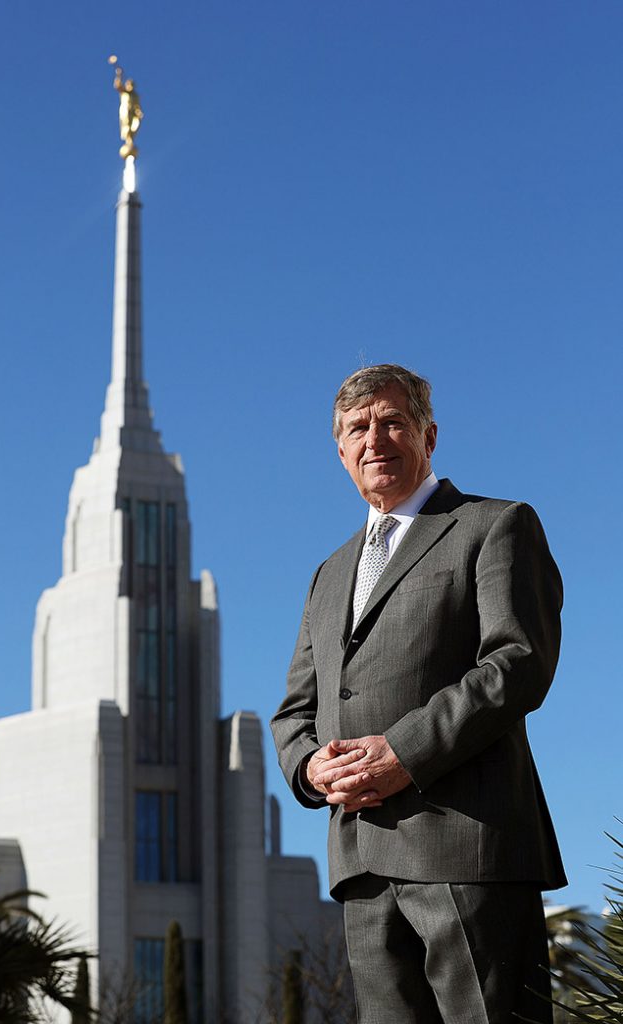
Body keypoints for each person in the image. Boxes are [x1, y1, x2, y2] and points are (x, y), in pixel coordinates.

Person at [271, 364, 565, 1024]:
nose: (374, 439)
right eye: (357, 428)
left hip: (468, 847)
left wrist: (403, 753)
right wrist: (310, 768)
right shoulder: (328, 574)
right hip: (361, 863)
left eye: (392, 422)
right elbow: (294, 711)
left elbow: (518, 663)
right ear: (340, 451)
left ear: (429, 436)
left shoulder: (495, 525)